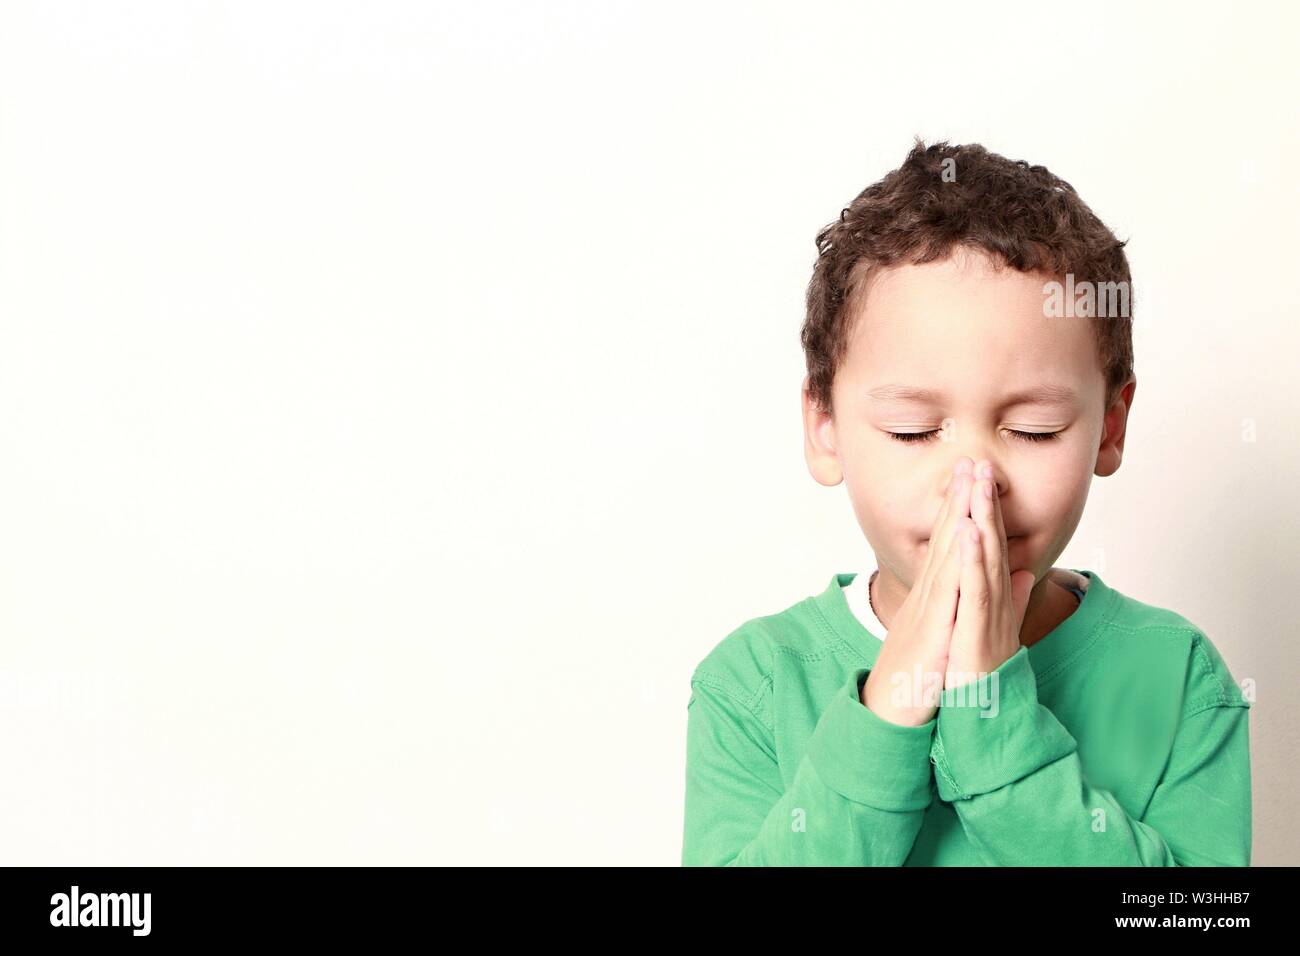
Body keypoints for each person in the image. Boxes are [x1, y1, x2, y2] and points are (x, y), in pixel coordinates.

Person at [681, 140, 1252, 866]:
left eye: (1033, 431)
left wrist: (995, 724)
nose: (972, 484)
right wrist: (886, 714)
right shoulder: (752, 685)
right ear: (824, 427)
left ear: (1110, 426)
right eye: (913, 431)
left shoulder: (1180, 681)